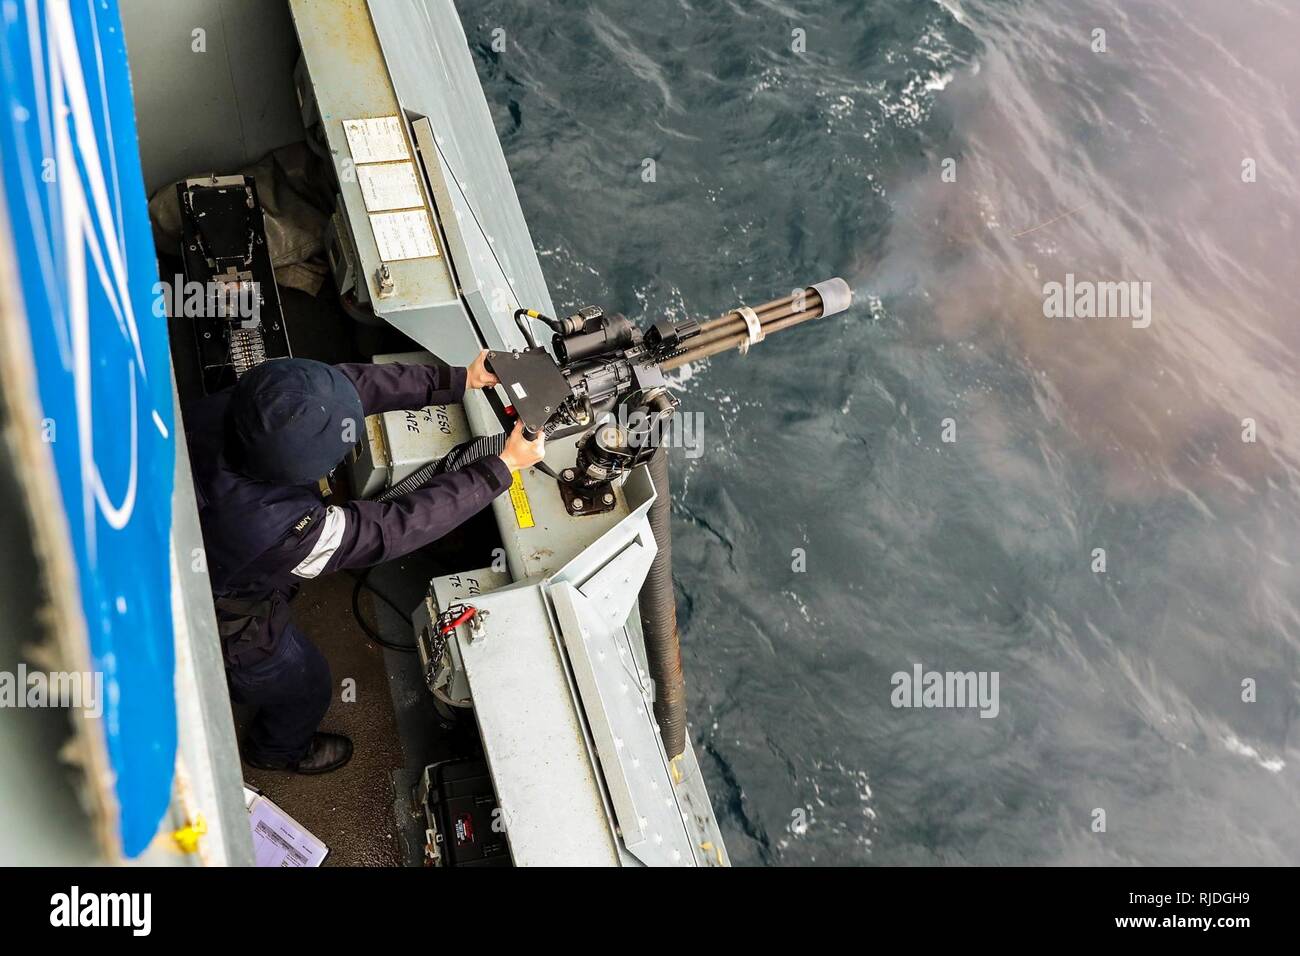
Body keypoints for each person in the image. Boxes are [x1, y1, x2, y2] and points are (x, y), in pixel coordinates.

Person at [183, 353, 545, 774]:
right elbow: (391, 529)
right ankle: (275, 751)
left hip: (200, 538)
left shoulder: (250, 402)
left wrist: (461, 378)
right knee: (307, 684)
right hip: (221, 609)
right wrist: (501, 467)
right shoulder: (281, 526)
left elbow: (338, 388)